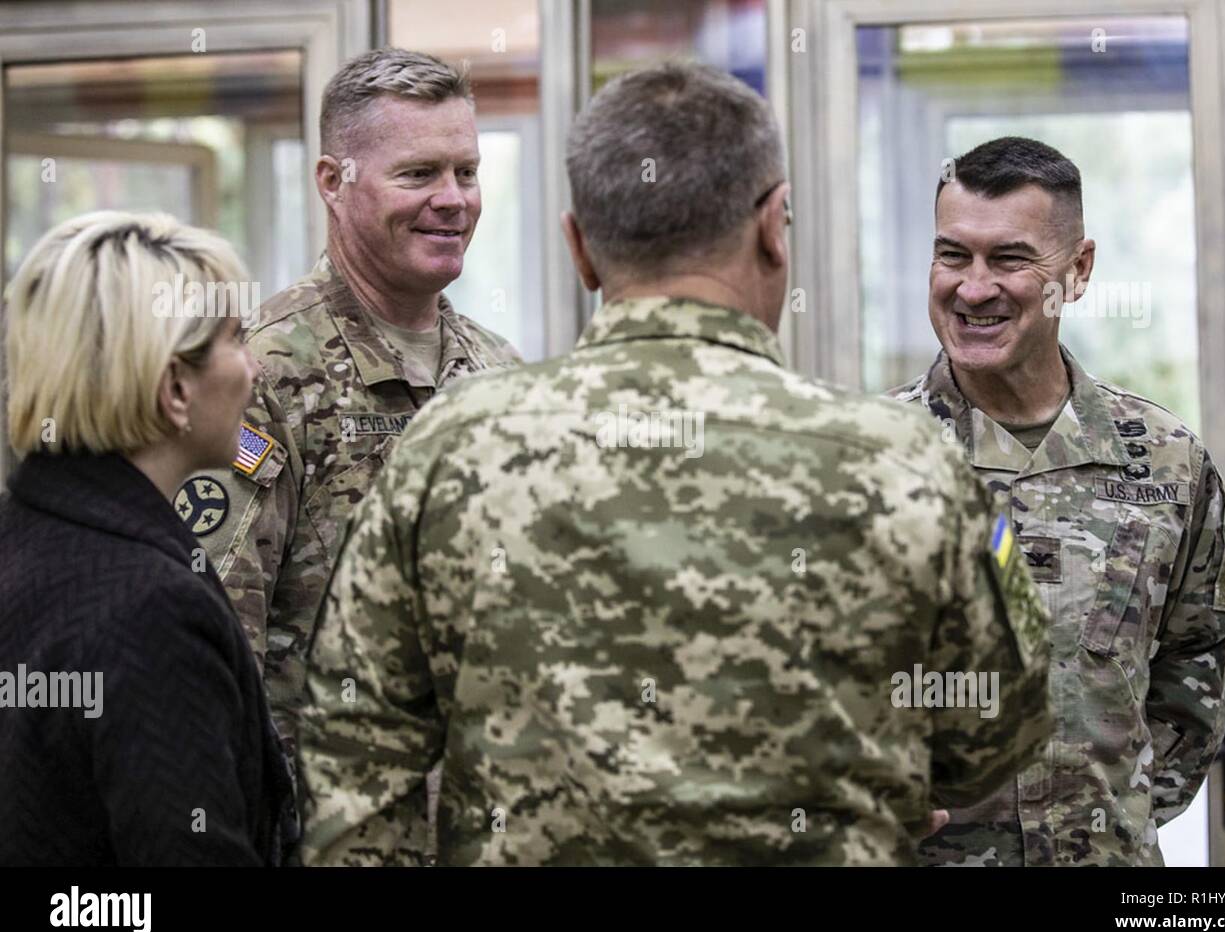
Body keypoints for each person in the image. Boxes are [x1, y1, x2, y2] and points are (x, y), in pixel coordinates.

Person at [297, 62, 1052, 866]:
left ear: (580, 248)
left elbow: (356, 760)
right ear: (773, 225)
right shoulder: (906, 462)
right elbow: (994, 738)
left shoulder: (450, 448)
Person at [889, 136, 1225, 865]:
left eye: (1008, 259)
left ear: (1077, 271)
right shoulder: (867, 457)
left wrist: (1121, 801)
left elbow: (1212, 642)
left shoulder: (1163, 459)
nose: (972, 288)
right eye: (952, 255)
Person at [177, 48, 523, 764]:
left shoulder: (500, 371)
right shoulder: (259, 371)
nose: (454, 199)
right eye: (419, 173)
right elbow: (214, 645)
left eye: (467, 171)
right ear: (334, 183)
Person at [0, 211, 295, 865]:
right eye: (237, 339)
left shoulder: (29, 534)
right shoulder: (150, 612)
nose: (255, 369)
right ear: (175, 388)